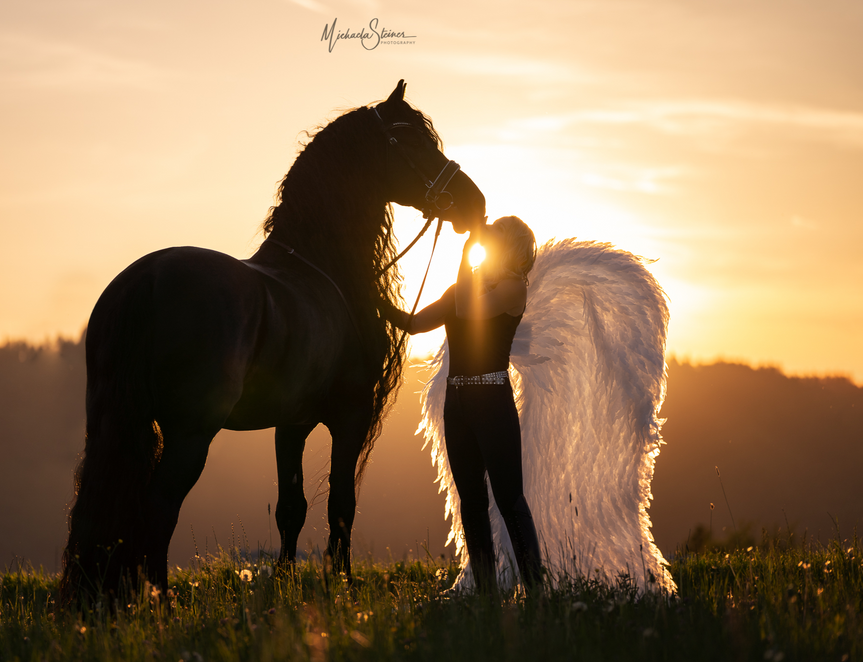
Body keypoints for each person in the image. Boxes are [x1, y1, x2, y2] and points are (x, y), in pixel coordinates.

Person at [379, 215, 542, 595]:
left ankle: (537, 592)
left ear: (513, 246)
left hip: (493, 403)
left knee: (509, 500)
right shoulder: (463, 288)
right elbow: (415, 323)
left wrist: (468, 251)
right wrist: (374, 300)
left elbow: (470, 310)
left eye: (495, 235)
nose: (488, 239)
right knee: (472, 502)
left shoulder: (513, 288)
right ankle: (486, 594)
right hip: (457, 407)